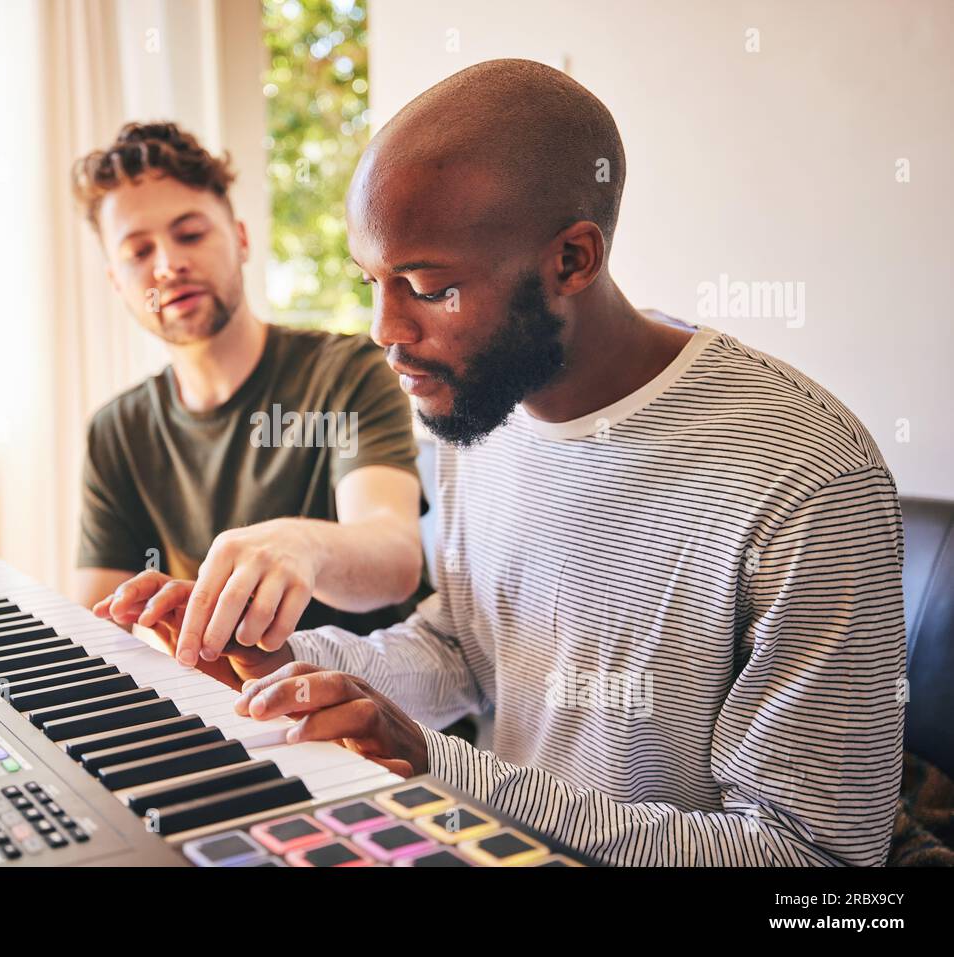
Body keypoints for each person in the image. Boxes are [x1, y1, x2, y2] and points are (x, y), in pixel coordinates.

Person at [99, 61, 906, 866]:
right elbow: (463, 649)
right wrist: (289, 663)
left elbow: (818, 866)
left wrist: (432, 760)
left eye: (425, 285)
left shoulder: (808, 479)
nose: (385, 330)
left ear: (572, 261)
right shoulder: (481, 401)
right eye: (373, 281)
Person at [71, 122, 429, 684]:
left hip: (368, 724)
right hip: (231, 718)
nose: (167, 265)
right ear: (118, 281)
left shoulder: (346, 374)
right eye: (140, 251)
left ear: (239, 239)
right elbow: (94, 630)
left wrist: (304, 544)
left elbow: (396, 558)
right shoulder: (117, 430)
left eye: (189, 234)